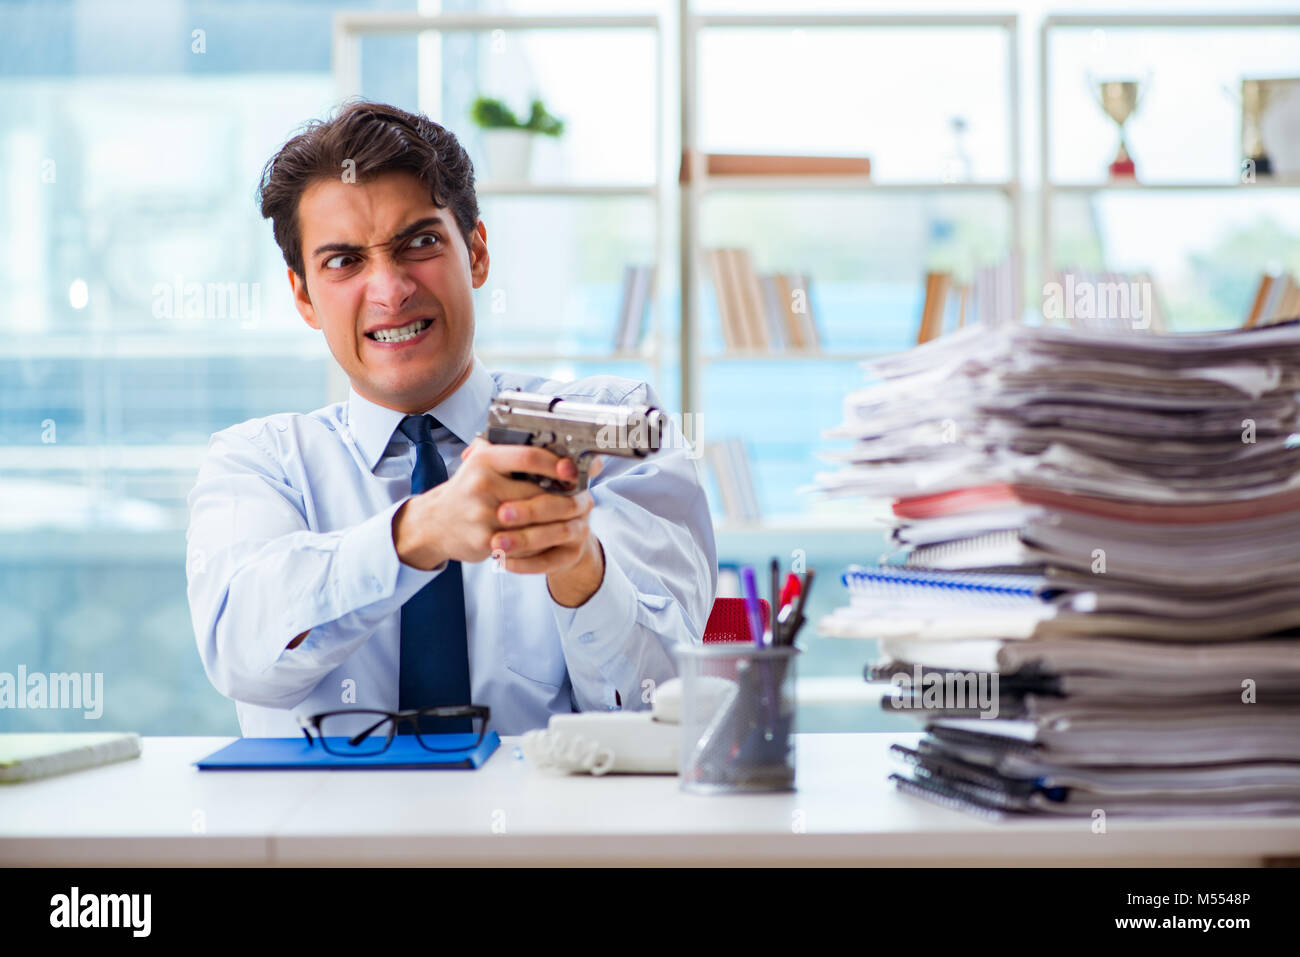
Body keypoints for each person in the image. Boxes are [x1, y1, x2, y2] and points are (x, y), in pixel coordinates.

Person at [185, 100, 717, 737]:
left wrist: (580, 569)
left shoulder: (615, 424)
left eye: (419, 243)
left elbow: (675, 704)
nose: (390, 290)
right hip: (325, 835)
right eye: (344, 261)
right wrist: (416, 534)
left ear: (477, 253)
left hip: (551, 834)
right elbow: (242, 654)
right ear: (303, 295)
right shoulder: (260, 463)